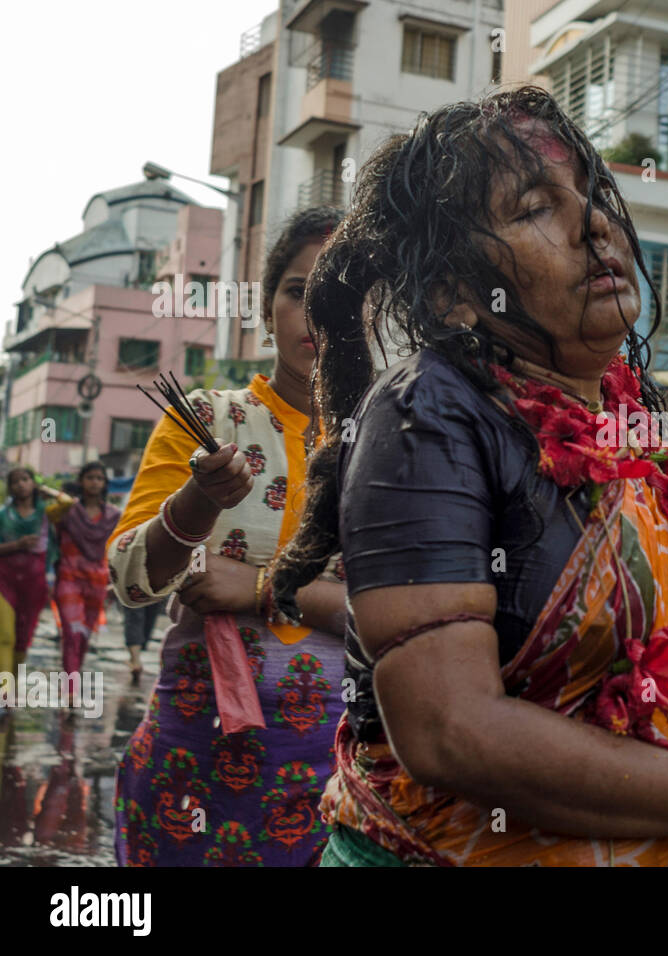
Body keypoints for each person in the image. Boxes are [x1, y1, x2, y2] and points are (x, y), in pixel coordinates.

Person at [269, 86, 668, 867]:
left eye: (593, 192)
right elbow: (450, 730)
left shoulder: (631, 417)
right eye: (535, 207)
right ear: (454, 294)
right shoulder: (428, 412)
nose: (596, 223)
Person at [109, 206, 349, 867]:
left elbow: (410, 623)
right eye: (300, 291)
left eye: (342, 294)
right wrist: (195, 504)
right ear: (269, 307)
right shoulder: (208, 420)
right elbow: (130, 577)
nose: (318, 313)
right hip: (195, 757)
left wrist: (263, 589)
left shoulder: (394, 445)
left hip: (342, 774)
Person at [0, 466, 74, 683]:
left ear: (33, 484)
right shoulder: (3, 515)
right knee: (5, 637)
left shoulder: (45, 513)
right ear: (10, 488)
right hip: (4, 579)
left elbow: (68, 503)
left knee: (23, 640)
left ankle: (9, 690)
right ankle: (3, 692)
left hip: (34, 583)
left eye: (25, 479)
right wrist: (17, 544)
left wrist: (47, 491)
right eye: (15, 481)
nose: (21, 484)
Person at [46, 462, 120, 676]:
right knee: (72, 632)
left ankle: (73, 676)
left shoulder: (114, 516)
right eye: (90, 477)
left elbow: (118, 548)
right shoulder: (66, 511)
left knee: (85, 633)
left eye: (99, 478)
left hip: (97, 581)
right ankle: (71, 688)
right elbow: (48, 516)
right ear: (81, 482)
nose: (95, 482)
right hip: (68, 577)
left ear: (105, 483)